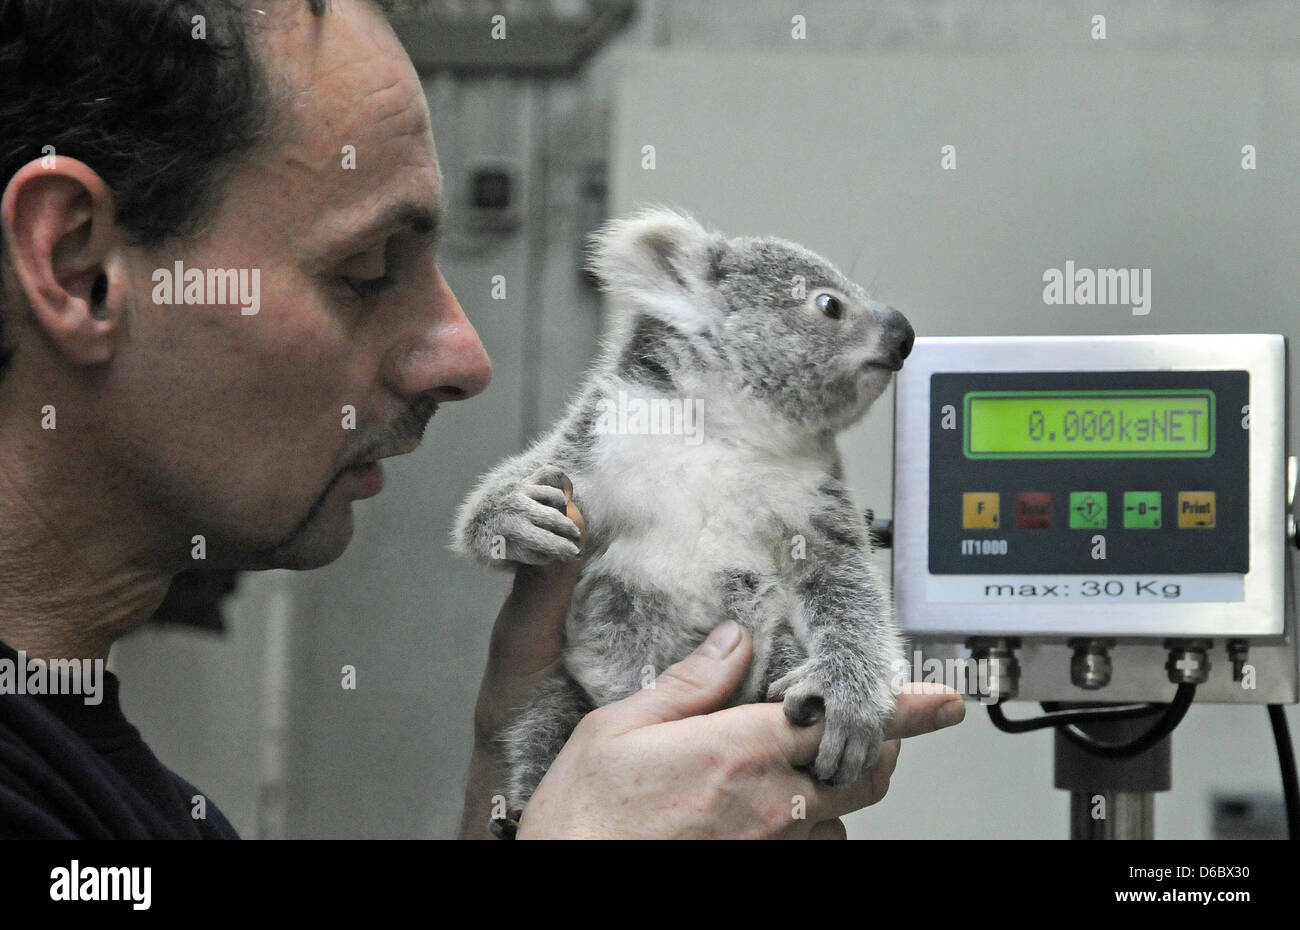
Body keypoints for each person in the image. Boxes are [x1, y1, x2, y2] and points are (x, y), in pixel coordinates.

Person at [0, 0, 963, 840]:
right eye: (366, 270)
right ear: (79, 268)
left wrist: (508, 790)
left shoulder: (120, 798)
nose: (464, 357)